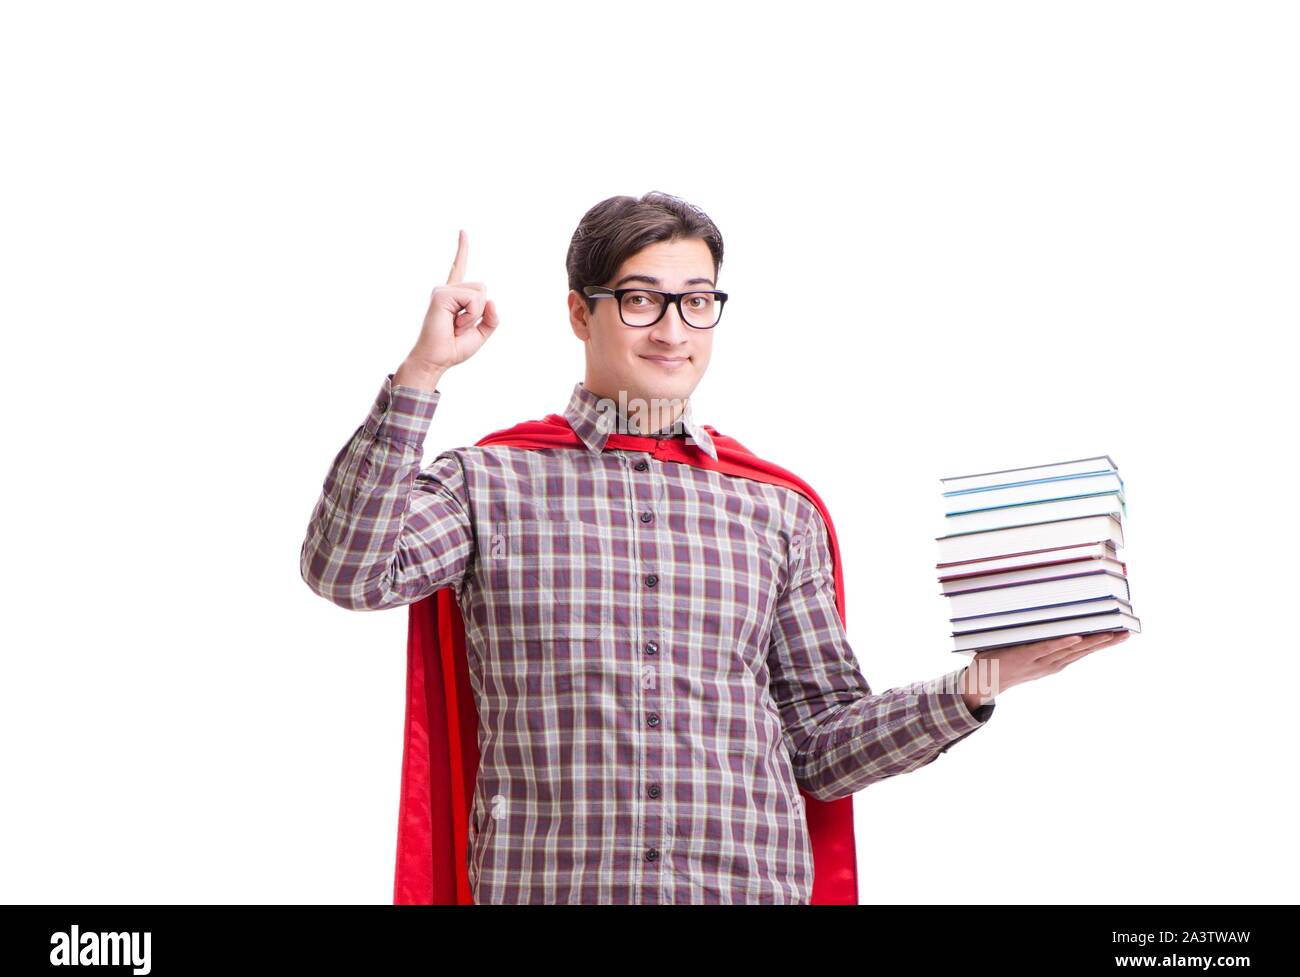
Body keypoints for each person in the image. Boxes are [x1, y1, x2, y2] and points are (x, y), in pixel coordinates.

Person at [299, 191, 1130, 905]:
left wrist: (981, 681)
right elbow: (350, 570)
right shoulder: (489, 482)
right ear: (579, 312)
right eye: (641, 300)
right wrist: (421, 374)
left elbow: (819, 745)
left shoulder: (776, 508)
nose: (673, 329)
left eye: (698, 301)